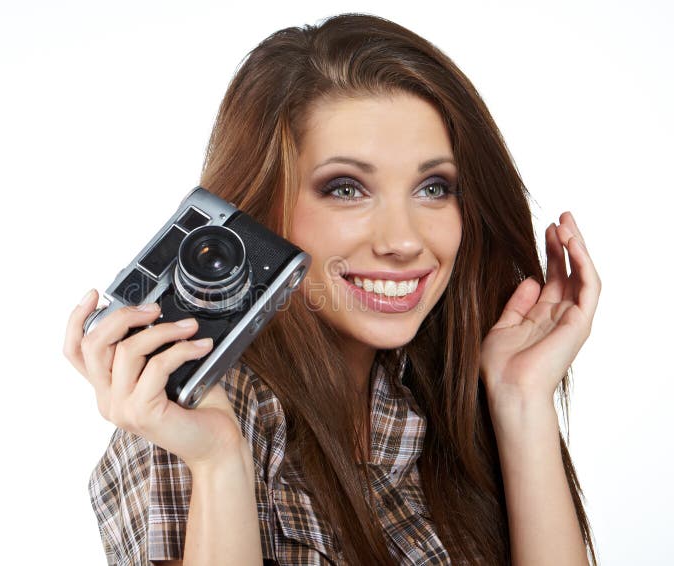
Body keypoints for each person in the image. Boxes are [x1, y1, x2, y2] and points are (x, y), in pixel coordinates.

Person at [63, 13, 600, 566]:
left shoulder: (429, 399)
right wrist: (219, 462)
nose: (403, 241)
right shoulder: (189, 413)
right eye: (346, 189)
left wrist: (521, 397)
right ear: (263, 210)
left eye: (434, 187)